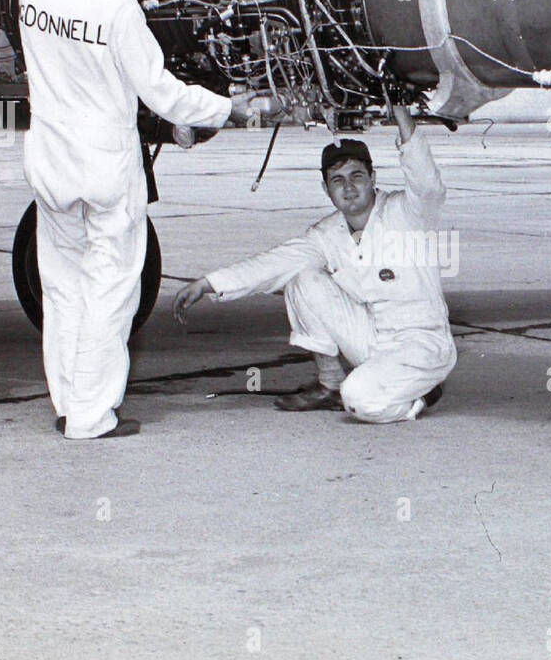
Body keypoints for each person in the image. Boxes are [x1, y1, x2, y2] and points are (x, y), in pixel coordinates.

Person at [17, 0, 252, 440]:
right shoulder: (116, 5)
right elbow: (162, 93)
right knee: (111, 290)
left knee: (63, 287)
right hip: (104, 168)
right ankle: (93, 418)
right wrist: (230, 107)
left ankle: (69, 401)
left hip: (51, 166)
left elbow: (78, 14)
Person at [174, 101, 455, 423]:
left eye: (356, 176)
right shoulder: (326, 233)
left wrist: (403, 117)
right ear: (326, 189)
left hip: (421, 341)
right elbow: (275, 263)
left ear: (373, 177)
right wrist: (209, 283)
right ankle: (330, 384)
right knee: (300, 278)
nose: (348, 188)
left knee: (361, 401)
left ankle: (418, 396)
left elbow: (427, 183)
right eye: (337, 180)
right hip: (372, 337)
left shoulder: (409, 211)